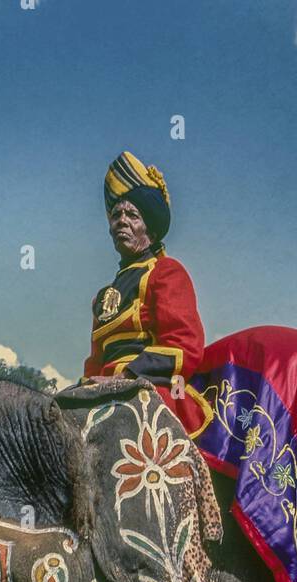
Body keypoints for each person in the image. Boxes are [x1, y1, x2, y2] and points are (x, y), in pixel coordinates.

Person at [82, 151, 211, 436]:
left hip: (149, 389)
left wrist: (125, 378)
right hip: (102, 392)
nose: (121, 221)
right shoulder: (102, 298)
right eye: (116, 215)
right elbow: (94, 361)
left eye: (132, 215)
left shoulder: (165, 272)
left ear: (149, 228)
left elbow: (183, 345)